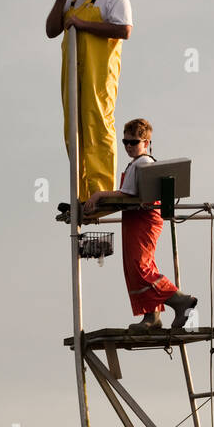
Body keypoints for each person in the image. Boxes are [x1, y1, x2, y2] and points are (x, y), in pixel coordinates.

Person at [85, 118, 197, 332]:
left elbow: (127, 195)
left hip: (142, 220)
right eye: (125, 142)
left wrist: (99, 195)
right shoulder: (137, 164)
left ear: (146, 142)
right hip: (136, 219)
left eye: (133, 142)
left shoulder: (142, 164)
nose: (128, 146)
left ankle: (180, 300)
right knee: (137, 267)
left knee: (140, 267)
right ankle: (151, 315)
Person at [46, 0, 132, 202]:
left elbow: (124, 30)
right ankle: (81, 195)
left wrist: (82, 24)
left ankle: (101, 194)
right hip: (72, 73)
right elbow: (51, 31)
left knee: (98, 126)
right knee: (74, 130)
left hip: (99, 73)